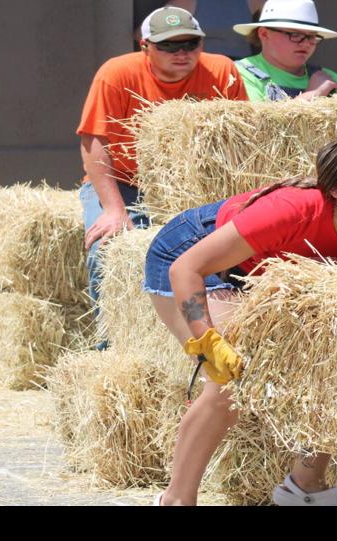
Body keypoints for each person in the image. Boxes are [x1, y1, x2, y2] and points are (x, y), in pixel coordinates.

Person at [144, 134, 337, 507]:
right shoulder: (292, 211)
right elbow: (187, 267)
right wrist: (206, 341)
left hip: (279, 272)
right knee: (228, 383)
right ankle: (176, 500)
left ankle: (304, 487)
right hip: (205, 259)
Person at [83, 6, 245, 317]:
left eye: (190, 44)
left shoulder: (223, 71)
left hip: (193, 187)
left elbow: (237, 140)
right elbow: (94, 141)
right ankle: (107, 349)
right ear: (145, 47)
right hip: (125, 182)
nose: (181, 53)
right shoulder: (116, 73)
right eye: (168, 45)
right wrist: (114, 209)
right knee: (106, 248)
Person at [231, 0, 337, 100]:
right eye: (295, 34)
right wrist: (313, 95)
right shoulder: (239, 74)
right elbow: (256, 127)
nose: (306, 43)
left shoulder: (331, 78)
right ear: (264, 34)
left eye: (311, 36)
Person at [134, 0, 266, 58]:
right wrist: (173, 46)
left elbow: (274, 31)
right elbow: (142, 32)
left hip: (241, 69)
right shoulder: (187, 2)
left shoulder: (253, 2)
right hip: (198, 67)